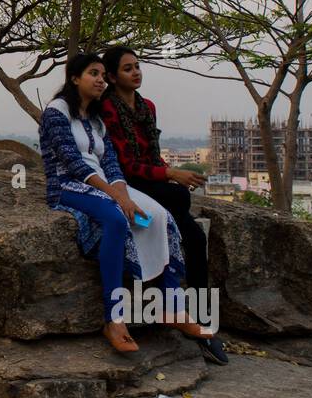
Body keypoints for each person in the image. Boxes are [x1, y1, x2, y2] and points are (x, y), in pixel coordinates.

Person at [39, 52, 212, 354]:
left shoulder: (94, 118)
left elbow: (112, 162)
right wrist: (117, 197)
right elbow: (73, 163)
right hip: (68, 186)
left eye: (103, 74)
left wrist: (123, 192)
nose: (100, 80)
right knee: (117, 220)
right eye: (93, 73)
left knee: (157, 217)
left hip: (105, 185)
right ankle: (114, 318)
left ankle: (171, 307)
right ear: (75, 78)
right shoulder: (57, 112)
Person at [100, 46, 230, 366]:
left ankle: (203, 323)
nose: (136, 72)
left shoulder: (147, 107)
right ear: (113, 76)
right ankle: (169, 310)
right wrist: (171, 174)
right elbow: (126, 165)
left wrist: (167, 176)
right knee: (167, 207)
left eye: (138, 66)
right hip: (124, 184)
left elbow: (152, 155)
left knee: (195, 238)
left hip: (152, 182)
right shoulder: (108, 110)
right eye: (128, 68)